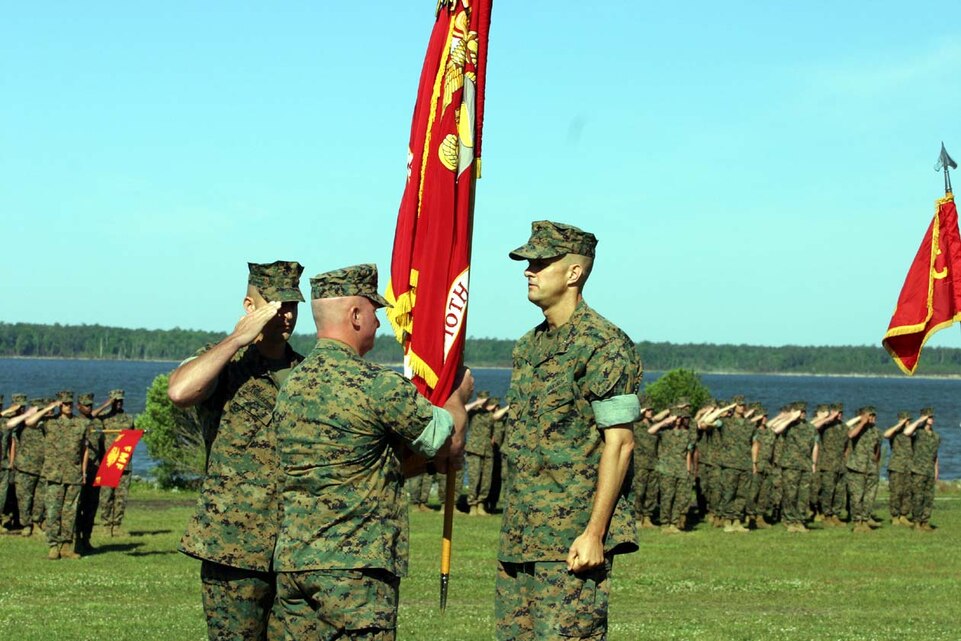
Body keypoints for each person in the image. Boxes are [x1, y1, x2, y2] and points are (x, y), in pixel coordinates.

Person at [272, 264, 470, 640]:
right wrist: (458, 395)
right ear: (356, 315)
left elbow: (356, 465)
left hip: (294, 564)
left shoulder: (291, 385)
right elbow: (446, 440)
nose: (380, 324)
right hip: (354, 570)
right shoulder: (374, 384)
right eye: (375, 313)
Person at [497, 221, 642, 640]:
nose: (529, 270)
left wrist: (595, 533)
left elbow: (620, 444)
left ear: (574, 273)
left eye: (541, 263)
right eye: (529, 263)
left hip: (570, 541)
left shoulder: (605, 345)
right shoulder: (528, 346)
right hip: (520, 537)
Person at [168, 260, 305, 641]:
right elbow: (180, 392)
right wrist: (236, 340)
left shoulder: (305, 373)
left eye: (293, 305)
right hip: (234, 546)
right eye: (275, 305)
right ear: (250, 306)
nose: (286, 315)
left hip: (297, 544)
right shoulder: (224, 363)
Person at [40, 390, 91, 559]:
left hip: (73, 474)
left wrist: (83, 472)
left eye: (70, 403)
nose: (68, 406)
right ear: (59, 405)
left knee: (70, 512)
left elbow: (85, 450)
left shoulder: (81, 424)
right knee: (53, 511)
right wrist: (49, 407)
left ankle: (67, 546)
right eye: (64, 404)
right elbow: (30, 421)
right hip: (54, 474)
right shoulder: (49, 423)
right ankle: (53, 545)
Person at [771, 402, 817, 533]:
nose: (802, 414)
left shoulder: (810, 427)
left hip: (805, 465)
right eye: (799, 411)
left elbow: (814, 445)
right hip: (790, 465)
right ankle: (790, 521)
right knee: (790, 494)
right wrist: (791, 417)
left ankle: (800, 521)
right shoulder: (788, 425)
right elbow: (775, 429)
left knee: (803, 495)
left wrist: (813, 463)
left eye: (803, 411)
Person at [9, 398, 51, 537]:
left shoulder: (48, 425)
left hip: (43, 468)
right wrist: (28, 414)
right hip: (24, 468)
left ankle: (37, 522)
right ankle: (26, 524)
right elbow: (10, 424)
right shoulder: (23, 424)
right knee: (24, 499)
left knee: (40, 499)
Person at [650, 404, 694, 534]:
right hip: (666, 469)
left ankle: (674, 523)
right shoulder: (665, 433)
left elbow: (688, 454)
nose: (678, 419)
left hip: (680, 470)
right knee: (667, 497)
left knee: (679, 498)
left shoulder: (686, 434)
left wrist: (687, 470)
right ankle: (665, 523)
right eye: (675, 417)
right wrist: (664, 422)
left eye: (680, 417)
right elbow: (651, 431)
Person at [97, 389, 136, 536]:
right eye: (116, 401)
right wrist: (107, 404)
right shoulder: (104, 418)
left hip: (124, 463)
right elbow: (91, 416)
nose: (119, 403)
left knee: (121, 497)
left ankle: (116, 525)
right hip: (109, 462)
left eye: (120, 401)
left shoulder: (128, 419)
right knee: (106, 497)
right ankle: (106, 525)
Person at [845, 406, 881, 532]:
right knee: (857, 497)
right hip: (857, 468)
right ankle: (857, 522)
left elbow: (877, 451)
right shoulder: (856, 429)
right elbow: (850, 435)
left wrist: (875, 465)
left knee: (869, 497)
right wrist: (862, 422)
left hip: (871, 469)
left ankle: (865, 521)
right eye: (869, 415)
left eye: (874, 415)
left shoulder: (876, 431)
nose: (872, 418)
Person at [904, 407, 939, 531]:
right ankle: (917, 522)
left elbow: (935, 456)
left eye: (932, 417)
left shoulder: (935, 436)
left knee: (929, 498)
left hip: (929, 470)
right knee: (918, 497)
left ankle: (925, 521)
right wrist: (919, 420)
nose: (931, 419)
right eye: (929, 417)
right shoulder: (918, 432)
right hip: (918, 470)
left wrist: (936, 471)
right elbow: (906, 432)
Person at [465, 395, 499, 516]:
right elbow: (463, 409)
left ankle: (481, 503)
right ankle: (472, 505)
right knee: (474, 478)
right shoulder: (473, 413)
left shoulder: (489, 415)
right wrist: (477, 403)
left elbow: (496, 416)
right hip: (474, 449)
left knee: (486, 480)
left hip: (487, 451)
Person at [631, 397, 659, 529]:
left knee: (651, 492)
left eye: (652, 409)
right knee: (639, 491)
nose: (651, 412)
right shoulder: (635, 424)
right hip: (640, 463)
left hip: (653, 463)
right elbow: (631, 417)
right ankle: (637, 518)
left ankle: (647, 517)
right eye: (648, 409)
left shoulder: (653, 424)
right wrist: (639, 411)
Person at [0, 393, 26, 531]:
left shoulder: (5, 423)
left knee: (2, 495)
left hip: (4, 464)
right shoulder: (5, 419)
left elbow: (12, 442)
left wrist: (10, 461)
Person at [883, 411, 914, 526]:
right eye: (906, 420)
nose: (907, 422)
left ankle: (904, 515)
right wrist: (899, 425)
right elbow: (886, 434)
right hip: (896, 466)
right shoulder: (895, 433)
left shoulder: (911, 434)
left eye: (909, 420)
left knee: (907, 493)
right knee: (896, 493)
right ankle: (895, 516)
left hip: (909, 467)